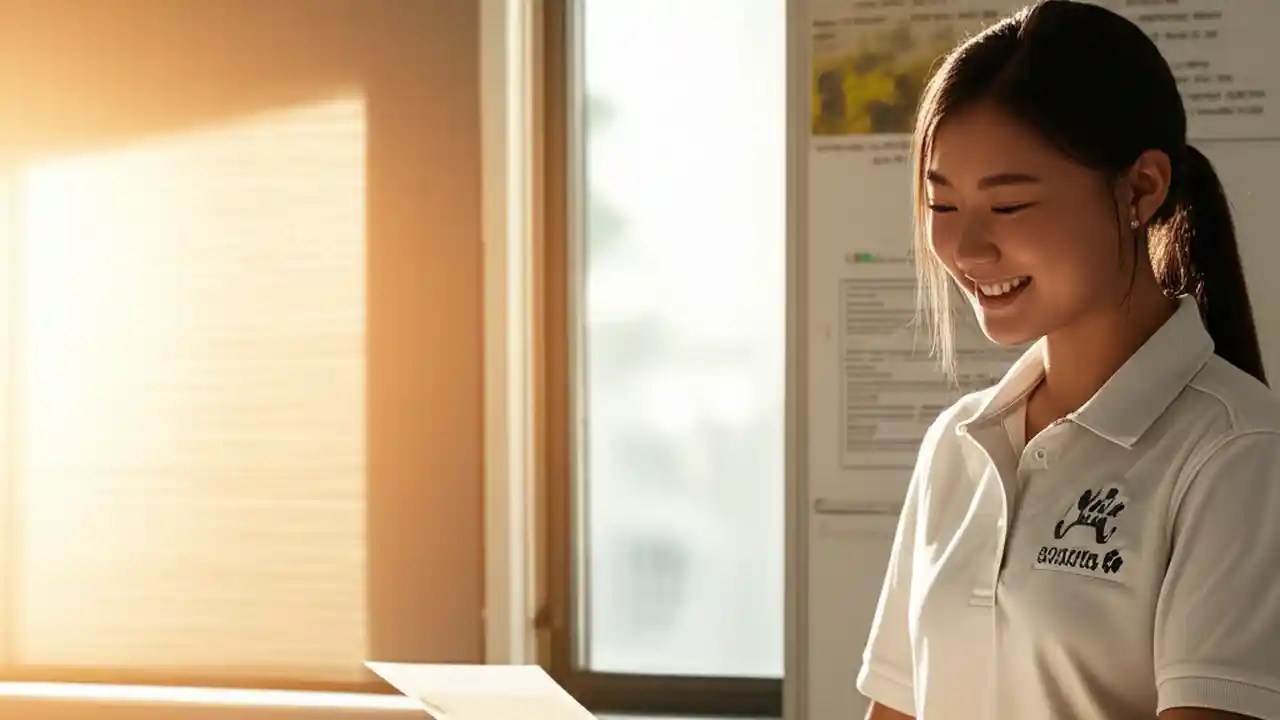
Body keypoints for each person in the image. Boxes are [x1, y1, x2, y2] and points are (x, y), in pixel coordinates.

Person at [857, 2, 1280, 719]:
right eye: (944, 205)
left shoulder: (1238, 453)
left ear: (1141, 188)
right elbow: (895, 708)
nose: (965, 251)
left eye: (1010, 206)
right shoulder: (959, 443)